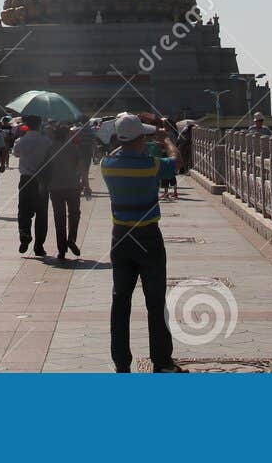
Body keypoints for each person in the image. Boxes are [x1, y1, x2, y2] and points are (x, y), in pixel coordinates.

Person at [101, 113, 185, 373]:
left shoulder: (107, 165)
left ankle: (121, 363)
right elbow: (178, 162)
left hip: (120, 238)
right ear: (141, 138)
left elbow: (118, 150)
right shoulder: (151, 165)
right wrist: (166, 140)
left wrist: (128, 139)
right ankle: (161, 361)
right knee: (155, 300)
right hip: (148, 238)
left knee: (121, 300)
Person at [12, 115, 53, 256]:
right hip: (42, 180)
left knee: (24, 211)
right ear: (40, 124)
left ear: (26, 125)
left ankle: (24, 234)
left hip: (25, 179)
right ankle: (39, 246)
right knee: (41, 214)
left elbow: (16, 154)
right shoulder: (47, 141)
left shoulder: (20, 141)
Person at [45, 122, 84, 261]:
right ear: (67, 135)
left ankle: (61, 250)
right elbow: (81, 167)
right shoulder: (74, 148)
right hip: (72, 186)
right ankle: (71, 238)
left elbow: (45, 168)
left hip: (54, 187)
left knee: (59, 217)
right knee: (74, 213)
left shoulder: (49, 149)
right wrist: (84, 182)